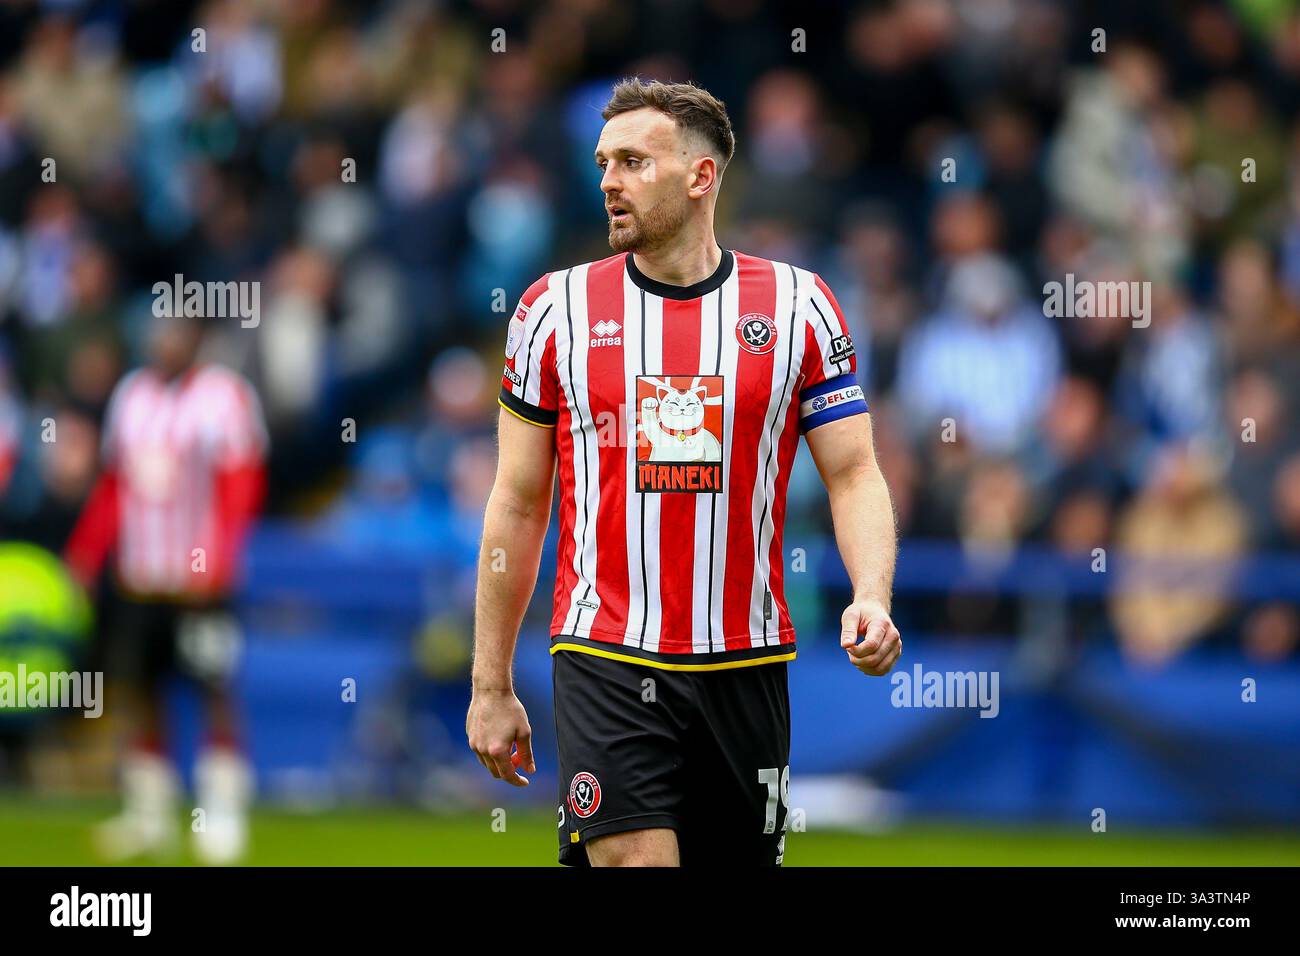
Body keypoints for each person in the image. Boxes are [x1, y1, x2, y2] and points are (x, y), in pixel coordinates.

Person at [466, 78, 900, 867]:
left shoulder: (802, 306)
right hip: (605, 649)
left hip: (747, 660)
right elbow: (518, 503)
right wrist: (490, 683)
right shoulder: (550, 311)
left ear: (701, 177)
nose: (607, 180)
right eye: (603, 162)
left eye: (633, 161)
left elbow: (855, 473)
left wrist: (871, 592)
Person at [64, 312, 267, 863]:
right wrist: (86, 556)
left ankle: (222, 812)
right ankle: (149, 815)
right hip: (140, 576)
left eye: (176, 332)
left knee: (213, 687)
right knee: (140, 691)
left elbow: (241, 482)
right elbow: (114, 484)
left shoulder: (224, 397)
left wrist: (218, 559)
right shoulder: (131, 395)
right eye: (158, 333)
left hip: (196, 582)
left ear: (197, 339)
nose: (165, 343)